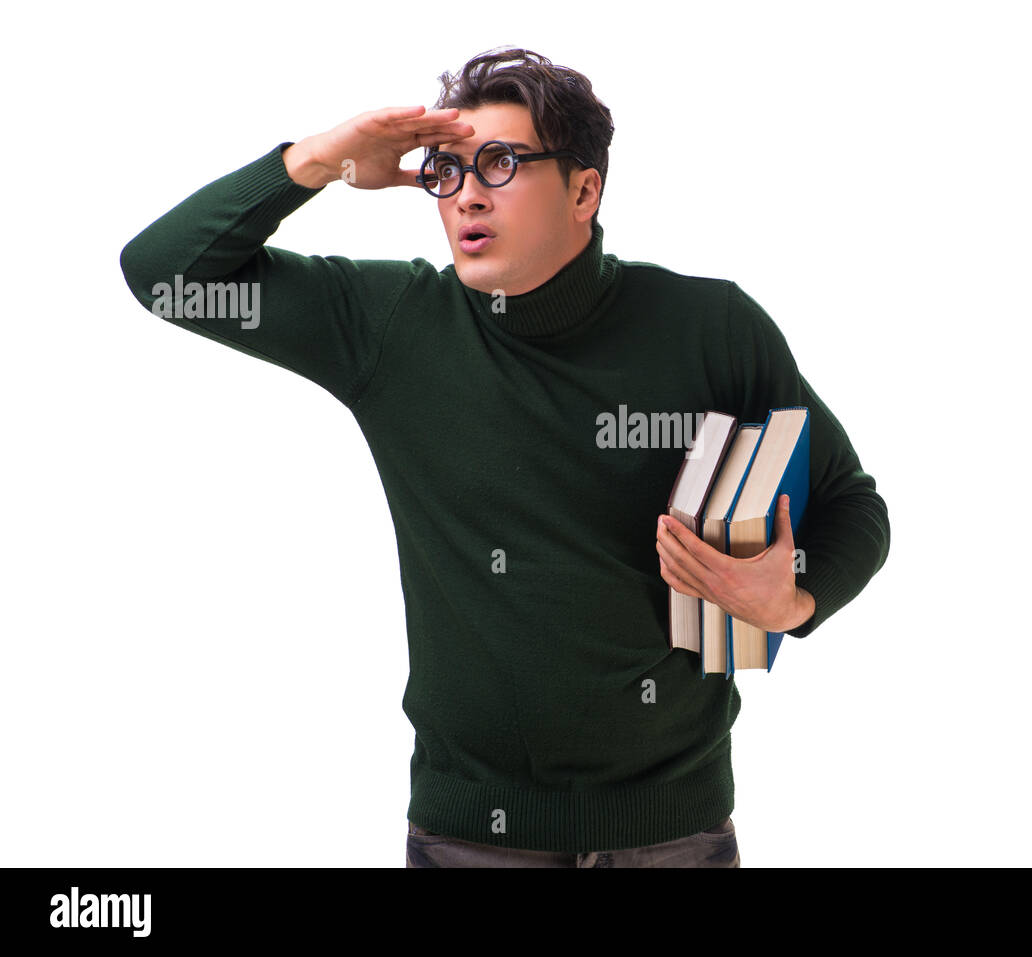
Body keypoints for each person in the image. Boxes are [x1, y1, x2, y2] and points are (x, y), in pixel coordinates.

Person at [118, 46, 890, 867]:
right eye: (446, 171)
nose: (467, 193)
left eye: (501, 162)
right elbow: (165, 273)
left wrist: (793, 601)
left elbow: (853, 503)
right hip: (471, 839)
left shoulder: (711, 327)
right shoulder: (392, 324)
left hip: (674, 831)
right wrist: (319, 160)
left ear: (585, 190)